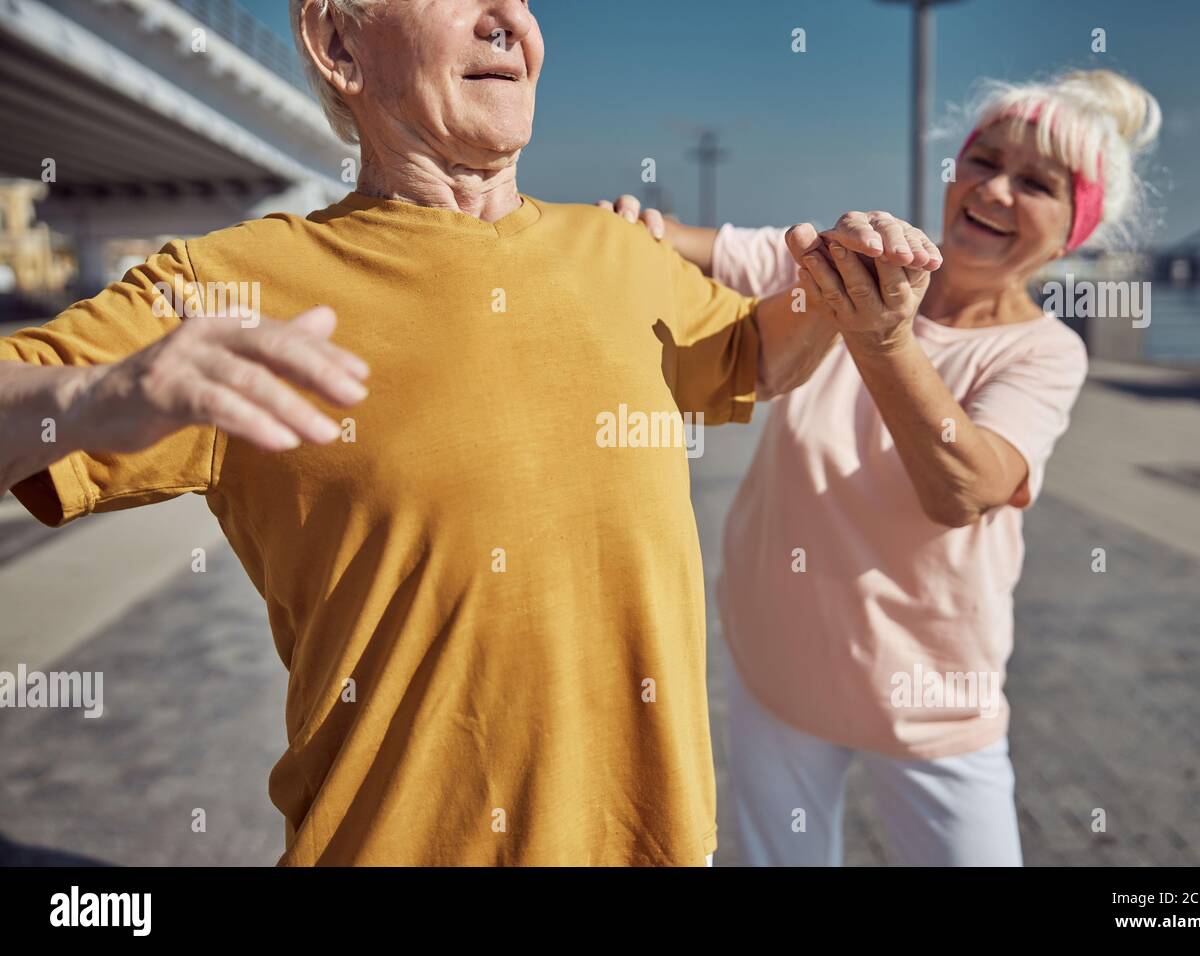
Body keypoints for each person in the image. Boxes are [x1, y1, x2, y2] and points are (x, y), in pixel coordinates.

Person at [0, 0, 940, 865]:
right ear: (339, 47)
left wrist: (844, 299)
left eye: (525, 0)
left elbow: (754, 358)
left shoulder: (621, 252)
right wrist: (99, 395)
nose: (510, 21)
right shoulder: (233, 281)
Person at [604, 69, 1161, 865]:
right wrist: (622, 228)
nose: (994, 190)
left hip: (935, 698)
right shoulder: (839, 268)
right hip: (779, 671)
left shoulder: (1041, 352)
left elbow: (963, 488)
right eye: (982, 161)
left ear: (1075, 230)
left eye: (1036, 183)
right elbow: (663, 241)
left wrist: (883, 339)